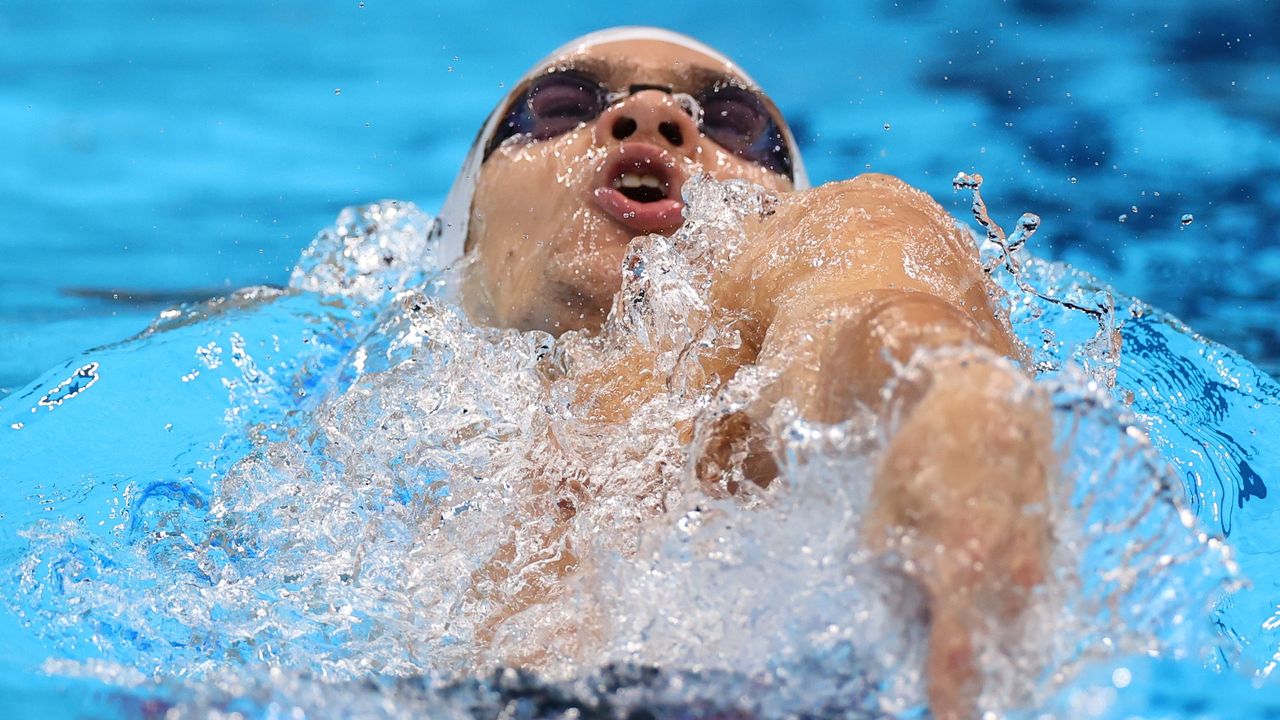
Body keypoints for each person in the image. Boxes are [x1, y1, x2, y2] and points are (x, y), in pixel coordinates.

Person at [431, 27, 1053, 719]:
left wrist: (945, 400)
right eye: (562, 105)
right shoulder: (343, 393)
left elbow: (861, 279)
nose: (653, 117)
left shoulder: (737, 400)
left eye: (733, 127)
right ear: (465, 228)